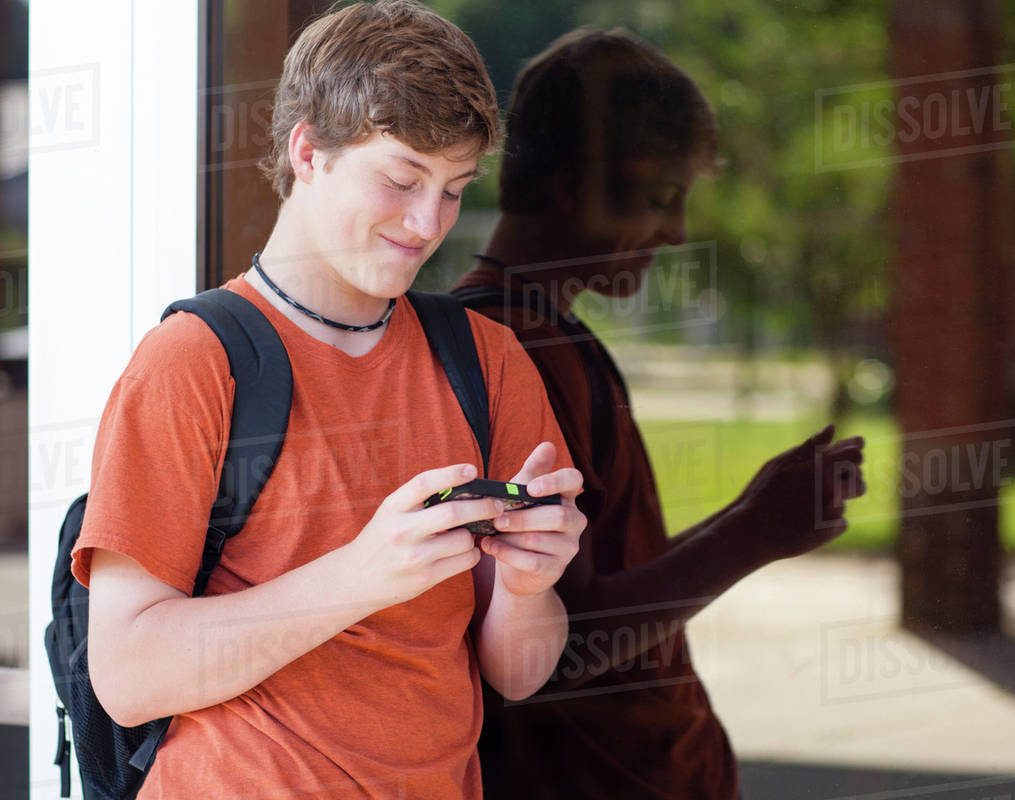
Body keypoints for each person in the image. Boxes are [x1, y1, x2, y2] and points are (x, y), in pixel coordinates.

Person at [72, 3, 585, 798]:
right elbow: (129, 674)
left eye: (453, 189)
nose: (428, 224)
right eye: (401, 179)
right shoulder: (194, 363)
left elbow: (519, 673)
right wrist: (362, 575)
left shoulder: (486, 361)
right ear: (308, 150)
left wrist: (527, 586)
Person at [454, 28, 867, 799]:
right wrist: (752, 534)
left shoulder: (552, 334)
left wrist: (751, 513)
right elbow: (553, 654)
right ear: (574, 186)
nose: (675, 234)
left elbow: (603, 581)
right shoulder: (514, 353)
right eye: (659, 200)